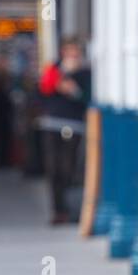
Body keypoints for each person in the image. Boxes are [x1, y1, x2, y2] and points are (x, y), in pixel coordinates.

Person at [37, 39, 92, 225]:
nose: (72, 56)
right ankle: (57, 209)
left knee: (67, 166)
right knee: (53, 167)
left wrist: (73, 90)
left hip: (71, 125)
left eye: (75, 53)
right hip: (52, 123)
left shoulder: (85, 73)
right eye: (69, 52)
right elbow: (42, 92)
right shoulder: (53, 70)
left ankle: (70, 207)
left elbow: (86, 98)